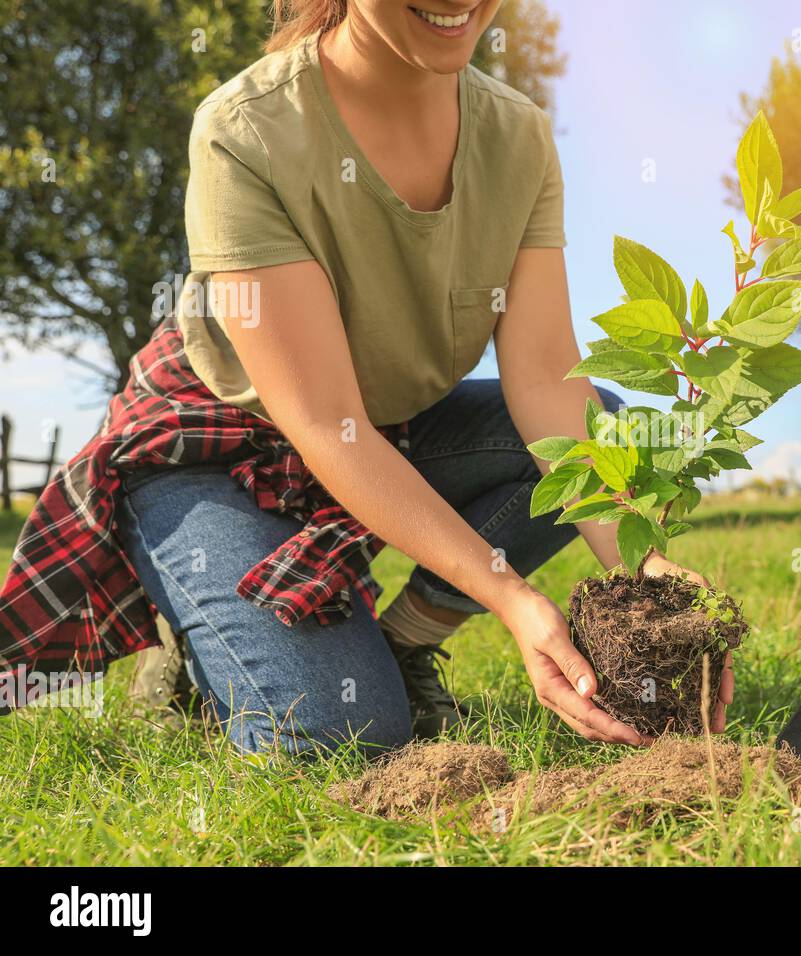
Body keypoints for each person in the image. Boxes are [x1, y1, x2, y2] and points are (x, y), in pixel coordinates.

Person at [0, 0, 732, 754]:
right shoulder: (246, 131)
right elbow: (322, 419)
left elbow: (547, 378)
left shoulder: (517, 137)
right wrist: (511, 597)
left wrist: (646, 563)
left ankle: (405, 641)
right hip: (216, 453)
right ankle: (184, 625)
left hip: (381, 435)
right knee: (339, 735)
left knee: (589, 421)